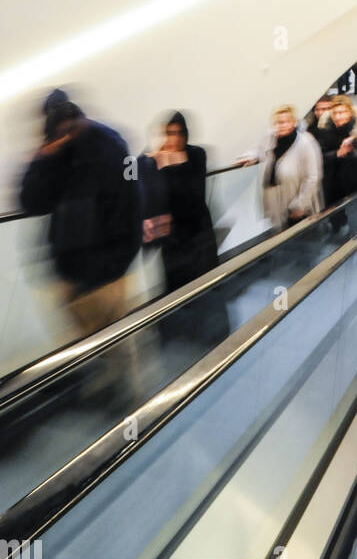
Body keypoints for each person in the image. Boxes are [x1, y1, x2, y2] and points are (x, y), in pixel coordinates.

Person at [19, 91, 140, 374]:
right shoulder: (52, 153)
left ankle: (132, 408)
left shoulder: (113, 143)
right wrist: (43, 157)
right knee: (85, 353)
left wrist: (119, 263)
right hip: (68, 275)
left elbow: (133, 199)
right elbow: (31, 202)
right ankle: (103, 396)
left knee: (116, 350)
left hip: (107, 277)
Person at [138, 111, 219, 292]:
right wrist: (158, 156)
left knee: (206, 285)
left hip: (199, 234)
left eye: (178, 133)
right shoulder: (153, 159)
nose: (174, 140)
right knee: (177, 289)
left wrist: (166, 161)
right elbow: (138, 170)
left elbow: (195, 192)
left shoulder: (197, 154)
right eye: (169, 133)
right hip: (173, 239)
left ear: (185, 134)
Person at [239, 104, 323, 230]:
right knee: (282, 233)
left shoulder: (305, 142)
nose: (280, 126)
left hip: (296, 200)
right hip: (277, 199)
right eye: (277, 122)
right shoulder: (270, 137)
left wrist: (300, 204)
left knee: (301, 237)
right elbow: (258, 148)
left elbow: (312, 177)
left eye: (284, 122)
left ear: (293, 122)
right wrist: (250, 156)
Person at [311, 95, 357, 230]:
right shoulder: (325, 132)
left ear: (350, 113)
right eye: (335, 113)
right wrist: (337, 154)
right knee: (337, 222)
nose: (338, 116)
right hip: (334, 186)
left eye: (342, 112)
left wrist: (354, 145)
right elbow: (320, 158)